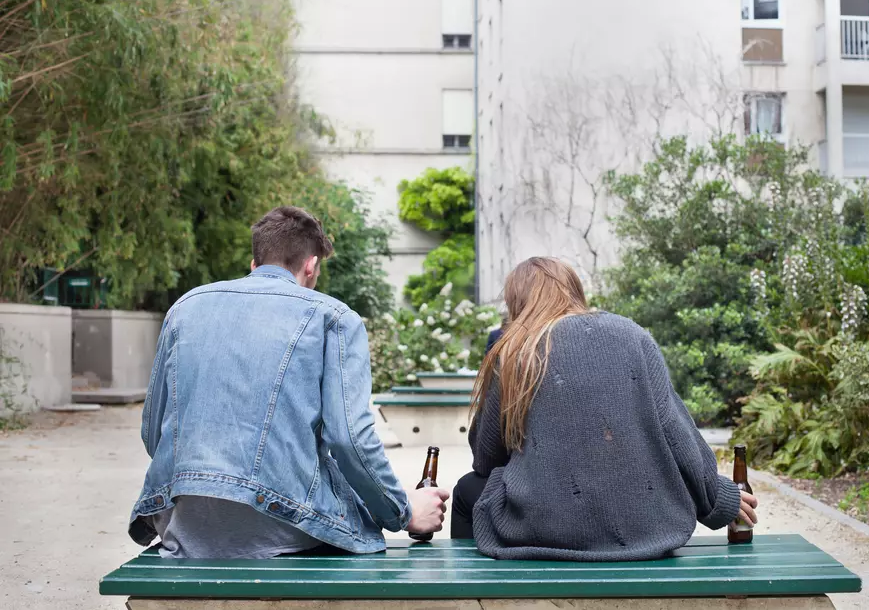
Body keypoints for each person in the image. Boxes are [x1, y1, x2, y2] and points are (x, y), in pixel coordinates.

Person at [129, 206, 449, 559]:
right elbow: (350, 439)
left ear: (254, 264)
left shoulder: (185, 308)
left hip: (188, 527)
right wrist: (404, 512)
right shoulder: (334, 318)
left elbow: (153, 435)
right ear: (311, 265)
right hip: (286, 531)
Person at [451, 257, 758, 560]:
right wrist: (718, 500)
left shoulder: (515, 351)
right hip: (646, 530)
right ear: (574, 291)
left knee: (466, 489)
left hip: (543, 528)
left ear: (516, 301)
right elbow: (675, 432)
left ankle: (471, 595)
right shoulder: (632, 334)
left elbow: (486, 459)